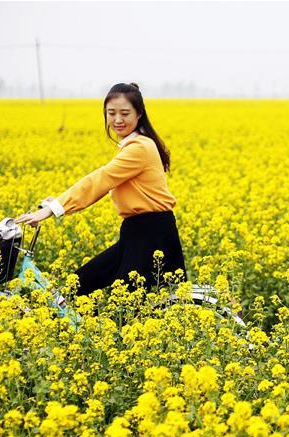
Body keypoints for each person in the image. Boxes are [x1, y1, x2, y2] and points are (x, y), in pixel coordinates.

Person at [16, 82, 185, 296]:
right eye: (111, 113)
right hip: (138, 232)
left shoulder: (139, 148)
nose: (117, 120)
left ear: (139, 114)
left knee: (124, 302)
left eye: (125, 113)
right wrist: (56, 201)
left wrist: (54, 209)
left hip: (151, 235)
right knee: (78, 285)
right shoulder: (137, 145)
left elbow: (101, 179)